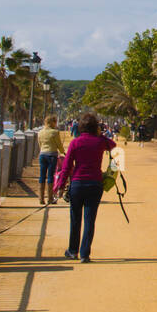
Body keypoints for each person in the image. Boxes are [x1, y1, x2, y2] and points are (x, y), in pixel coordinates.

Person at [61, 112, 115, 262]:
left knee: (75, 219)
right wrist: (100, 135)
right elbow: (113, 145)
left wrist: (60, 186)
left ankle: (73, 251)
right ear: (96, 127)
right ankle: (85, 254)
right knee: (90, 220)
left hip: (77, 184)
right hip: (95, 184)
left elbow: (66, 167)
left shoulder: (75, 143)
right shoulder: (100, 142)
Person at [37, 114, 64, 206]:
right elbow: (59, 144)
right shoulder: (55, 132)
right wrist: (63, 152)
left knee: (42, 176)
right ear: (52, 122)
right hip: (52, 155)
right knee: (50, 176)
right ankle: (50, 198)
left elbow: (39, 144)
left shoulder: (40, 132)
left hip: (42, 154)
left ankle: (41, 198)